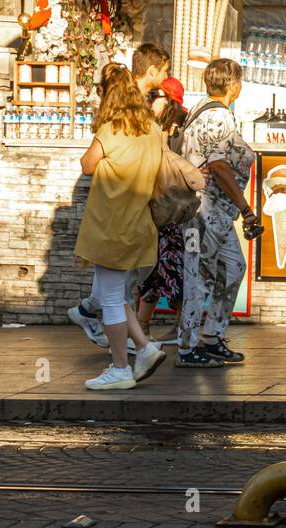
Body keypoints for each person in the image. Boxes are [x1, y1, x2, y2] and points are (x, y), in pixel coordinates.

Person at [68, 68, 169, 390]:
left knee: (111, 300)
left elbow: (87, 164)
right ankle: (145, 347)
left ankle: (121, 368)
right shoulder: (153, 130)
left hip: (111, 227)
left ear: (107, 95)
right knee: (113, 293)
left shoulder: (111, 130)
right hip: (140, 226)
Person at [176, 58, 258, 368]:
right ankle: (186, 348)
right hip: (204, 212)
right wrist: (246, 208)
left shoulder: (199, 109)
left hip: (215, 215)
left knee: (234, 267)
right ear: (234, 86)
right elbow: (219, 166)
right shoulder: (220, 116)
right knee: (197, 277)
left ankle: (211, 336)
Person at [134, 78, 190, 343]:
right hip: (158, 210)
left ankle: (179, 328)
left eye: (154, 96)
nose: (150, 101)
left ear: (167, 99)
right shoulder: (157, 127)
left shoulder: (178, 130)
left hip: (171, 212)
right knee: (154, 268)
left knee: (170, 268)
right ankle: (143, 326)